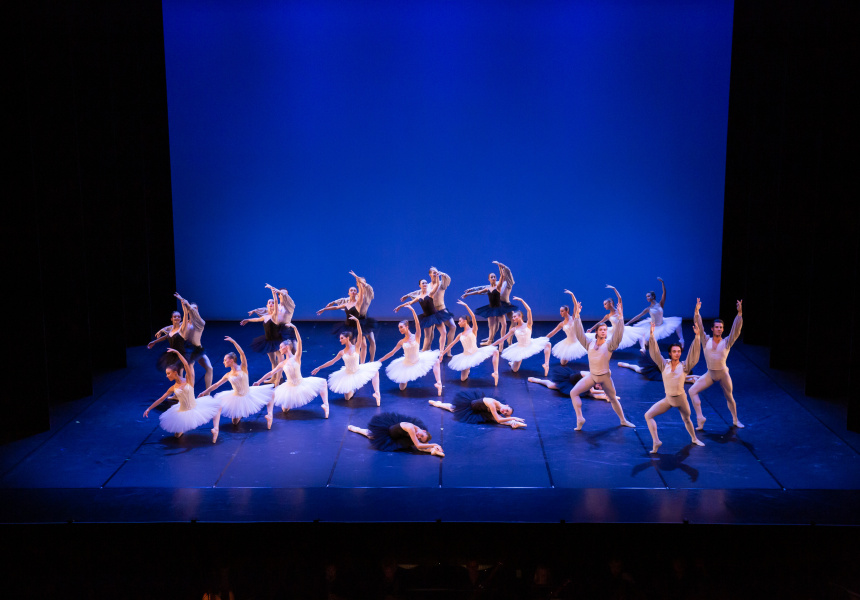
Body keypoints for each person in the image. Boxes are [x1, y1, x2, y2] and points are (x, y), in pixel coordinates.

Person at [567, 287, 636, 430]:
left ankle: (623, 420)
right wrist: (577, 316)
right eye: (602, 330)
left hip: (604, 378)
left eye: (605, 330)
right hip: (592, 376)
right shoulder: (589, 343)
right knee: (573, 392)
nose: (604, 331)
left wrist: (621, 318)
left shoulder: (610, 345)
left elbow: (618, 335)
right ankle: (580, 418)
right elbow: (579, 333)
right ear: (597, 332)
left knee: (612, 398)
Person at [643, 317, 705, 453]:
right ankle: (656, 441)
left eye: (679, 351)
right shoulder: (663, 364)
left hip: (681, 399)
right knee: (648, 415)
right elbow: (655, 353)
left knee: (687, 418)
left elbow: (693, 355)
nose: (677, 353)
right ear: (670, 353)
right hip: (668, 399)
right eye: (674, 352)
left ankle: (694, 438)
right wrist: (652, 335)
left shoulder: (684, 366)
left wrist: (697, 337)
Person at [197, 337, 274, 441]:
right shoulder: (228, 374)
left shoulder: (243, 367)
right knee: (234, 422)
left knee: (270, 394)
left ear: (231, 360)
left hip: (248, 394)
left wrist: (234, 342)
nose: (223, 362)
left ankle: (270, 415)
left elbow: (242, 354)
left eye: (225, 360)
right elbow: (216, 385)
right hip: (236, 397)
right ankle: (238, 416)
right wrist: (204, 392)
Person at [255, 324, 329, 421]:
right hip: (289, 387)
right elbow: (270, 373)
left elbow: (300, 342)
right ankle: (285, 406)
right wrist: (259, 381)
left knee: (323, 382)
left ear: (287, 347)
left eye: (281, 347)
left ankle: (326, 405)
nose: (279, 349)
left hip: (301, 383)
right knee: (284, 410)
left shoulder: (296, 357)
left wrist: (295, 328)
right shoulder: (282, 363)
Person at [689, 298, 744, 429]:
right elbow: (700, 326)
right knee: (692, 391)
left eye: (721, 328)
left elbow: (736, 331)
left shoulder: (727, 342)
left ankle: (736, 420)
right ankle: (700, 418)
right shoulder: (705, 340)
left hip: (723, 374)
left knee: (729, 397)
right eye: (717, 327)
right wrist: (697, 311)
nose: (719, 329)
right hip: (710, 374)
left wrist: (740, 313)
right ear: (712, 329)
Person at [143, 348, 220, 438]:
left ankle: (216, 429)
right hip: (183, 411)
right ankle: (182, 428)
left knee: (217, 407)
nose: (167, 376)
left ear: (175, 373)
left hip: (195, 407)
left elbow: (186, 365)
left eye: (168, 373)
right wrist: (149, 408)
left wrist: (178, 353)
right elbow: (161, 399)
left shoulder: (188, 381)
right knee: (177, 435)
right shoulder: (173, 388)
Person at [311, 316, 382, 404]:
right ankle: (353, 389)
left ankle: (377, 393)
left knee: (375, 372)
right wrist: (319, 367)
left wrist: (357, 322)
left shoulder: (356, 347)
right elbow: (332, 362)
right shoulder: (341, 352)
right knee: (347, 398)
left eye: (342, 338)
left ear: (347, 338)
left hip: (358, 370)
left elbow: (360, 334)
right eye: (340, 338)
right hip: (347, 374)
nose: (340, 340)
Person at [378, 303, 442, 394]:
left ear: (407, 327)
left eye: (401, 327)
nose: (400, 329)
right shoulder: (401, 341)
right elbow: (392, 353)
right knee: (402, 388)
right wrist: (380, 360)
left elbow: (417, 324)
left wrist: (413, 311)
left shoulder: (416, 336)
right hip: (407, 364)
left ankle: (439, 383)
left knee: (436, 361)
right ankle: (405, 379)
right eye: (398, 328)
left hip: (418, 361)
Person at [317, 271, 377, 362]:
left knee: (371, 340)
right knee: (358, 342)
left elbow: (366, 288)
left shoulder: (367, 293)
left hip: (364, 319)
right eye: (360, 283)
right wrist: (332, 303)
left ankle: (371, 361)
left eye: (363, 282)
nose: (362, 284)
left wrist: (357, 277)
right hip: (355, 320)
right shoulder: (355, 296)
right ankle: (356, 361)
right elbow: (343, 301)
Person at [439, 300, 500, 384]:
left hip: (476, 352)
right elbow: (451, 344)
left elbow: (473, 317)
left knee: (495, 351)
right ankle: (467, 371)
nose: (459, 323)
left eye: (460, 321)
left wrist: (466, 305)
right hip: (466, 356)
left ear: (465, 321)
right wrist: (442, 353)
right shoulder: (460, 334)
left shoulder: (473, 330)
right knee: (463, 379)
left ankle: (495, 373)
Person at [461, 261, 518, 347]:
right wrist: (470, 290)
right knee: (494, 324)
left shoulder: (507, 283)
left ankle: (508, 339)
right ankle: (491, 338)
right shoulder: (498, 283)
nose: (494, 277)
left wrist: (501, 265)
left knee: (512, 321)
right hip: (497, 306)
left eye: (495, 276)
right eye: (492, 277)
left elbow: (506, 273)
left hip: (506, 305)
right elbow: (483, 288)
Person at [401, 267, 456, 354]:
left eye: (437, 272)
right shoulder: (428, 285)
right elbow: (419, 292)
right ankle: (426, 350)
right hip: (432, 310)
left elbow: (448, 280)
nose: (435, 274)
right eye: (433, 273)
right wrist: (407, 295)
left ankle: (448, 349)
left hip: (442, 309)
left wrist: (444, 275)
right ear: (429, 274)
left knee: (453, 326)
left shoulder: (441, 283)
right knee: (429, 334)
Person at [493, 297, 551, 375]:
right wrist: (491, 345)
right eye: (512, 317)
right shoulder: (513, 329)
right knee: (515, 370)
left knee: (548, 344)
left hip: (530, 344)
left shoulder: (528, 324)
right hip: (520, 348)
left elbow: (529, 310)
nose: (513, 318)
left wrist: (521, 300)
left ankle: (546, 364)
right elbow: (502, 339)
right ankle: (512, 363)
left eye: (515, 316)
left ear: (520, 316)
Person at [626, 277, 684, 352]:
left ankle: (682, 340)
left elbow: (664, 293)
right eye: (646, 296)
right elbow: (638, 316)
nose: (647, 298)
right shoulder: (648, 308)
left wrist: (662, 283)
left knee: (677, 323)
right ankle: (643, 347)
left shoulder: (660, 304)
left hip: (662, 324)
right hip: (653, 325)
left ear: (653, 296)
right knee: (643, 337)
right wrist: (628, 322)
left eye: (648, 296)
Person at [240, 293, 287, 385]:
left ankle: (279, 379)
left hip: (277, 341)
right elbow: (257, 320)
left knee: (280, 361)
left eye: (273, 303)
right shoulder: (265, 316)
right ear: (267, 305)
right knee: (273, 361)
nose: (271, 304)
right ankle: (273, 378)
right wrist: (248, 320)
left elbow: (276, 304)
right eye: (269, 303)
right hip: (268, 341)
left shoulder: (276, 315)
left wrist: (274, 294)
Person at [348, 413, 444, 456]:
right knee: (369, 434)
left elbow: (421, 443)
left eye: (420, 438)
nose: (418, 436)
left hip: (401, 435)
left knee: (415, 445)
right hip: (388, 434)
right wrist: (435, 444)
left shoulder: (419, 430)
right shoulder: (411, 428)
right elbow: (419, 445)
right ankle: (357, 429)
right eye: (421, 435)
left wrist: (432, 447)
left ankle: (433, 451)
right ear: (423, 431)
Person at [174, 292, 214, 389]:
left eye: (195, 308)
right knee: (187, 371)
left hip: (198, 349)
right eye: (192, 308)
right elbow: (172, 328)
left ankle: (207, 394)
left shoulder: (201, 322)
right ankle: (185, 393)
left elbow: (192, 311)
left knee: (209, 368)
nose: (193, 310)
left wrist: (184, 301)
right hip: (188, 351)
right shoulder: (185, 324)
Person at [429, 390, 526, 428]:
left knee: (496, 421)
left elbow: (500, 418)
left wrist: (511, 418)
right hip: (471, 407)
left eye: (506, 413)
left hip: (483, 411)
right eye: (506, 410)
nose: (504, 412)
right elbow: (499, 418)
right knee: (452, 408)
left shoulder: (499, 407)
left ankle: (515, 424)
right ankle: (438, 404)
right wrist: (514, 417)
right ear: (506, 405)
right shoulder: (492, 403)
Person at [544, 290, 586, 365]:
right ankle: (569, 354)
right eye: (560, 311)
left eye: (562, 311)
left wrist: (572, 294)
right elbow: (552, 332)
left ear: (567, 311)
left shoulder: (573, 317)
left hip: (577, 341)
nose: (560, 313)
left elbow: (575, 305)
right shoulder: (561, 324)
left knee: (589, 347)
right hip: (568, 343)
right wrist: (543, 339)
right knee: (563, 363)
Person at [148, 309, 189, 373]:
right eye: (175, 317)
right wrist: (154, 342)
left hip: (181, 354)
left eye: (179, 316)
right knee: (174, 373)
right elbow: (166, 336)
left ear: (181, 318)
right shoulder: (171, 329)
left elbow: (186, 316)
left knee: (179, 372)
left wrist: (184, 307)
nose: (177, 318)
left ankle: (185, 382)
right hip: (172, 354)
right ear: (171, 319)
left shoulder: (182, 329)